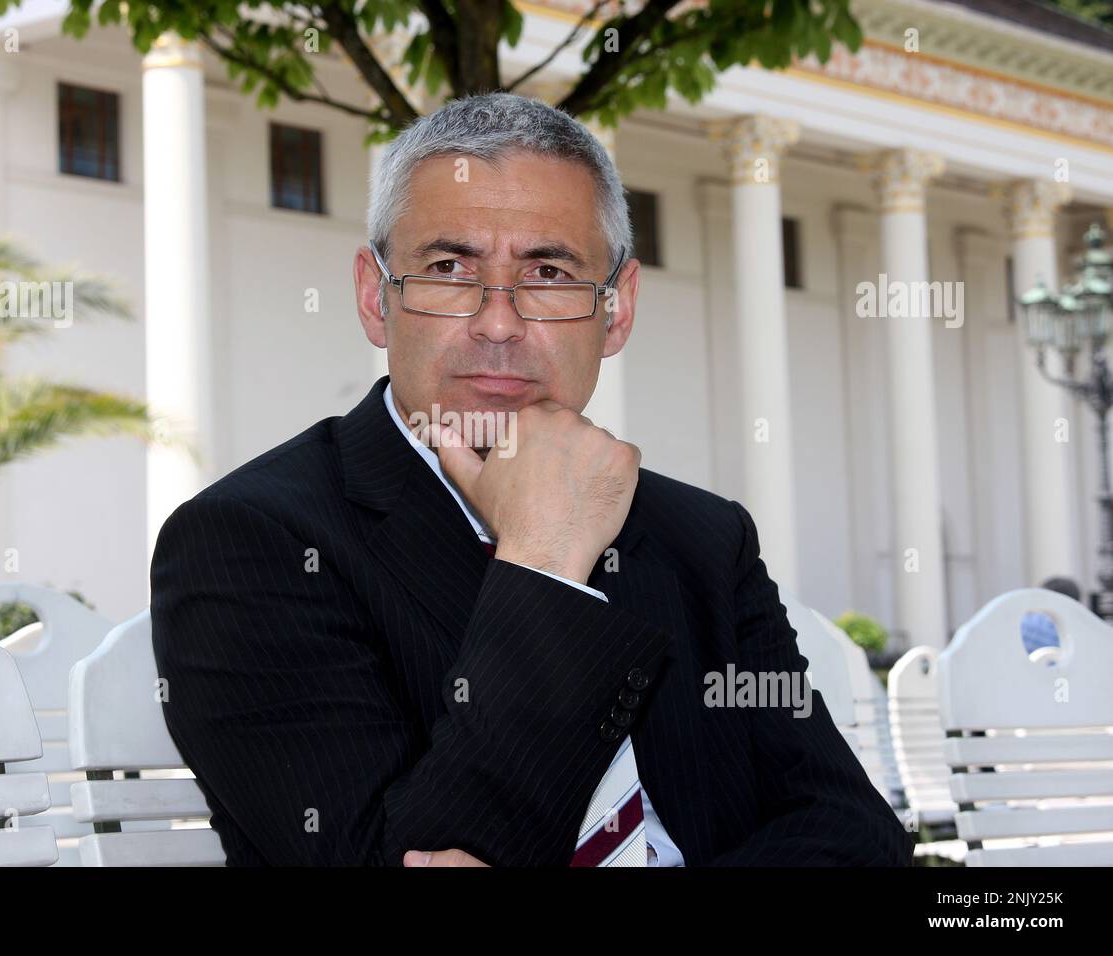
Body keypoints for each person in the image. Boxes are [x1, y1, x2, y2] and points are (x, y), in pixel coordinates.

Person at [150, 93, 913, 867]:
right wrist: (545, 562)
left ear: (616, 311)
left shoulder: (704, 539)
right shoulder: (252, 543)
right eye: (449, 268)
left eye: (548, 273)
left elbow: (855, 834)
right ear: (374, 297)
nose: (499, 323)